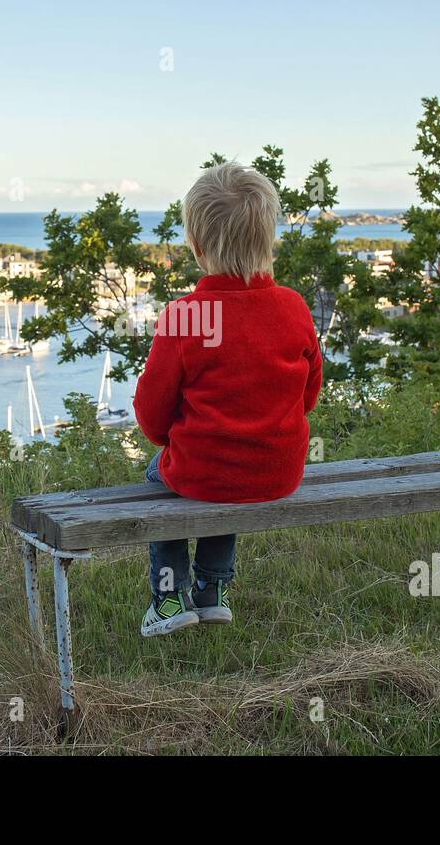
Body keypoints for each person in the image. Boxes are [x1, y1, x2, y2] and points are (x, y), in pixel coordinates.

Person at [134, 162, 322, 637]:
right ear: (268, 239)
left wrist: (171, 441)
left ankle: (169, 598)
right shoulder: (293, 306)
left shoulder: (185, 316)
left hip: (206, 469)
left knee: (166, 473)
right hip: (278, 470)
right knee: (226, 471)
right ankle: (212, 591)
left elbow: (151, 413)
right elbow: (309, 395)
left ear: (196, 245)